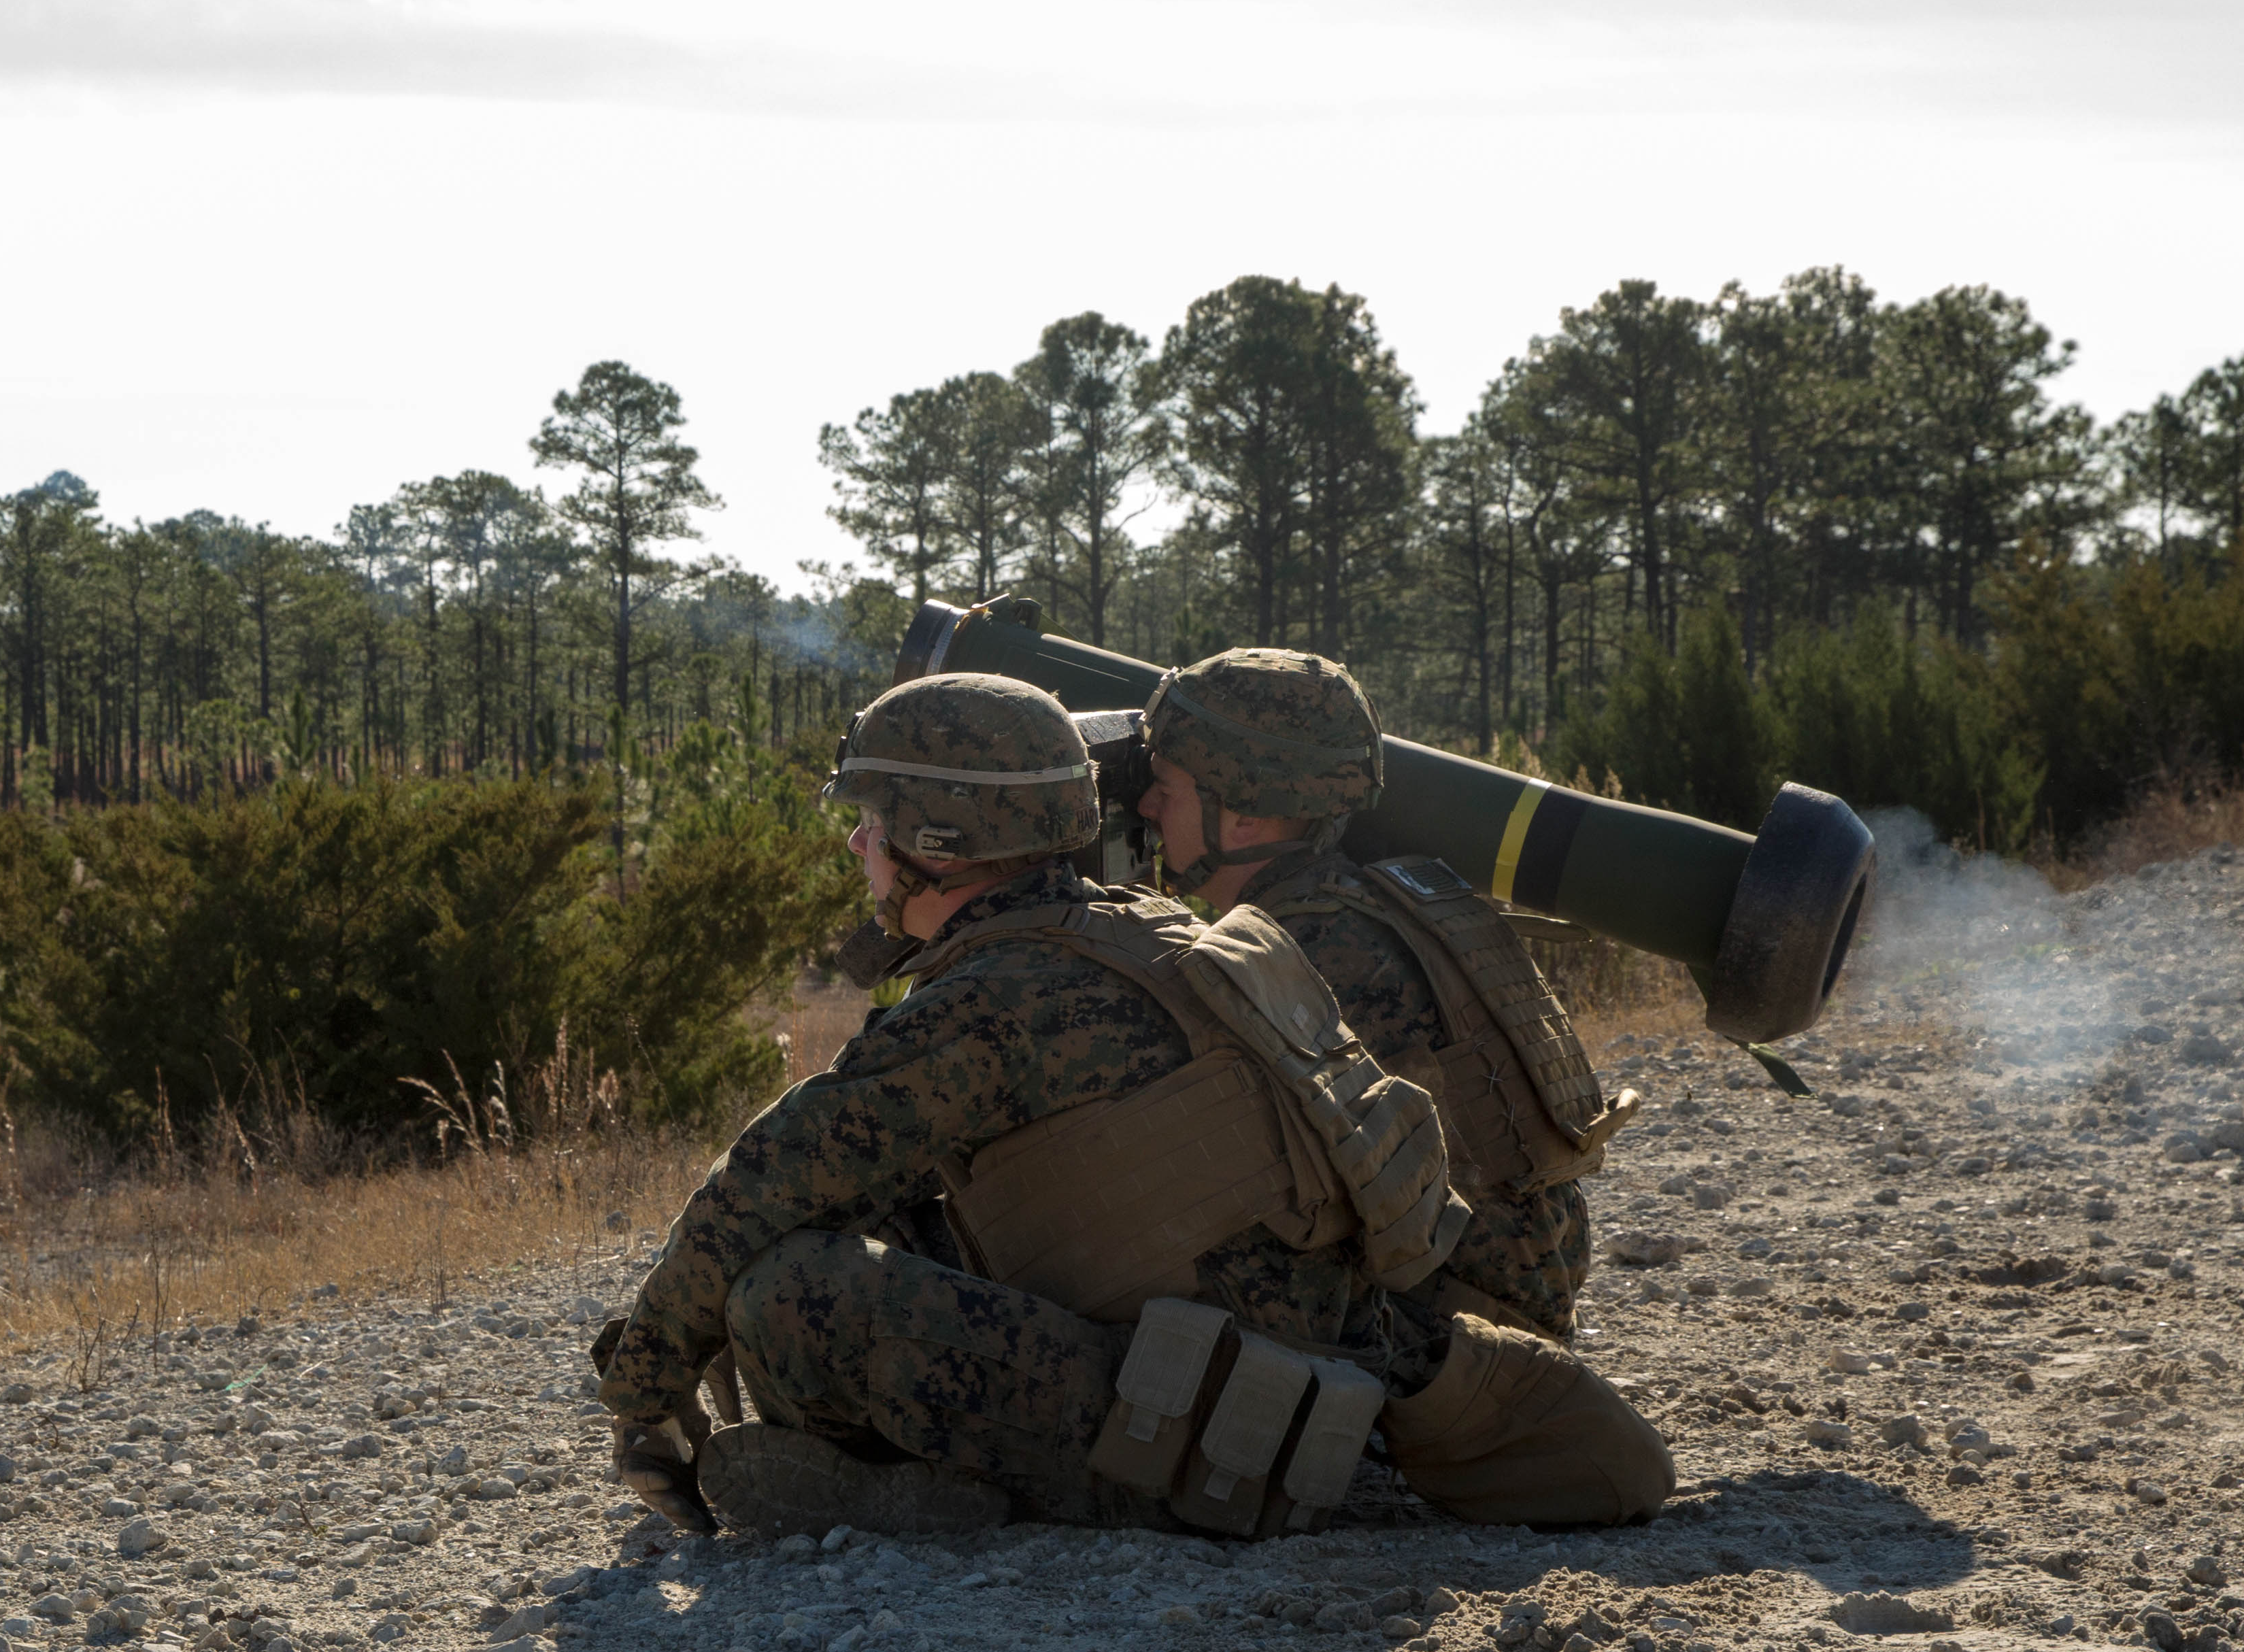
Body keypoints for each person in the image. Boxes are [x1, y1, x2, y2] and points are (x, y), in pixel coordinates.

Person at [588, 670, 1670, 1541]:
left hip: (1232, 1431)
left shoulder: (989, 1002)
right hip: (1316, 1371)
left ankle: (1006, 1500)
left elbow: (761, 1186)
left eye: (873, 823)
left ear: (943, 839)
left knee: (787, 1295)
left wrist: (644, 1386)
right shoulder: (1143, 933)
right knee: (859, 1232)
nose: (858, 847)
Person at [1132, 647, 1631, 1344]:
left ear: (1244, 813)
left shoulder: (1298, 954)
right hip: (1512, 1300)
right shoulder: (1369, 902)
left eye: (1166, 785)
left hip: (1449, 1335)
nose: (1146, 806)